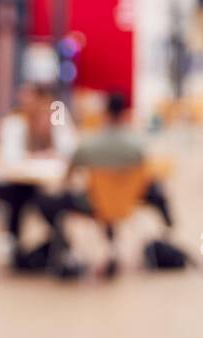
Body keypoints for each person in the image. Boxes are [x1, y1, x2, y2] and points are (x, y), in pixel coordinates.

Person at [34, 91, 175, 279]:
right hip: (128, 204)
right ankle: (167, 236)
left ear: (105, 113)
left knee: (49, 201)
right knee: (155, 192)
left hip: (95, 204)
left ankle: (63, 250)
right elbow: (149, 177)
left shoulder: (88, 146)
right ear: (126, 114)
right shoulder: (139, 146)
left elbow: (68, 177)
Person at [0, 83, 77, 270]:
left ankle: (61, 244)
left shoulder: (57, 118)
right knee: (18, 196)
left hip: (46, 182)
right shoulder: (15, 122)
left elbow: (69, 151)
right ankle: (14, 243)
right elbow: (8, 159)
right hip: (15, 182)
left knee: (49, 201)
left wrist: (51, 131)